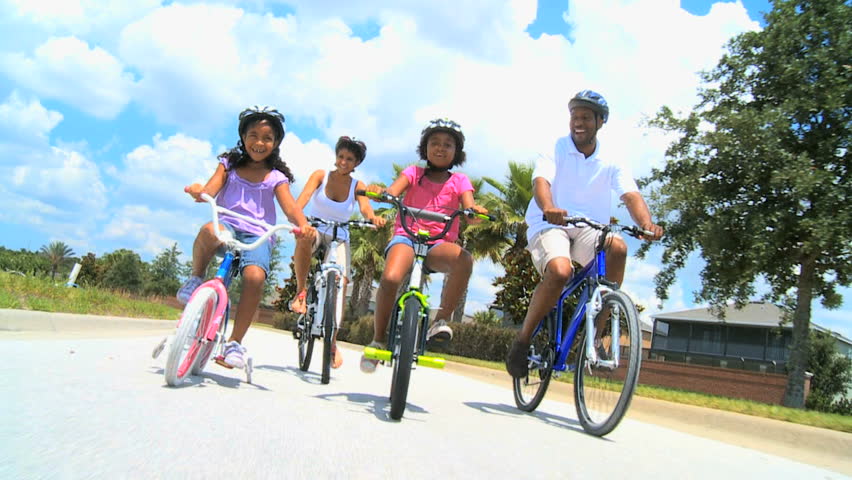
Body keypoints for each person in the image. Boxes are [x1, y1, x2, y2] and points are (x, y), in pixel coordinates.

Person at [505, 90, 664, 378]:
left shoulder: (612, 159)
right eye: (574, 117)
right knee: (560, 270)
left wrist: (646, 224)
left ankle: (594, 338)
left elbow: (630, 195)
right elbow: (541, 182)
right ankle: (522, 340)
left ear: (600, 122)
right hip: (550, 224)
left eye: (586, 118)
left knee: (618, 248)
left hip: (590, 228)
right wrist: (550, 207)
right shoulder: (556, 147)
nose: (579, 122)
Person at [178, 106, 315, 369]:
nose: (259, 142)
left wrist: (304, 225)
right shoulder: (228, 164)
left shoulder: (276, 177)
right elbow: (209, 190)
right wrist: (198, 191)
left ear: (275, 144)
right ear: (242, 136)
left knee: (255, 277)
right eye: (253, 135)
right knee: (208, 230)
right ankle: (196, 278)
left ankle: (234, 343)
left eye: (267, 138)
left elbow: (290, 209)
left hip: (259, 235)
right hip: (227, 225)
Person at [360, 118, 488, 373]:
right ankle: (379, 338)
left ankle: (440, 321)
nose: (440, 148)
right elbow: (393, 191)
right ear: (425, 148)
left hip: (438, 243)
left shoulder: (460, 180)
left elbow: (469, 205)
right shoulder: (413, 173)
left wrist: (473, 212)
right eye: (435, 143)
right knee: (391, 278)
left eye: (448, 145)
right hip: (406, 236)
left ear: (457, 152)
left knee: (464, 259)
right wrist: (381, 193)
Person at [289, 135, 386, 369]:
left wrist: (374, 219)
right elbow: (300, 201)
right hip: (316, 229)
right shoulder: (320, 176)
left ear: (356, 163)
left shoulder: (358, 186)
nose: (343, 162)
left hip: (340, 235)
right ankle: (301, 293)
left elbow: (365, 209)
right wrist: (299, 221)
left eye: (349, 159)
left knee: (340, 283)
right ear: (336, 156)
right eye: (341, 156)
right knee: (304, 239)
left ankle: (332, 343)